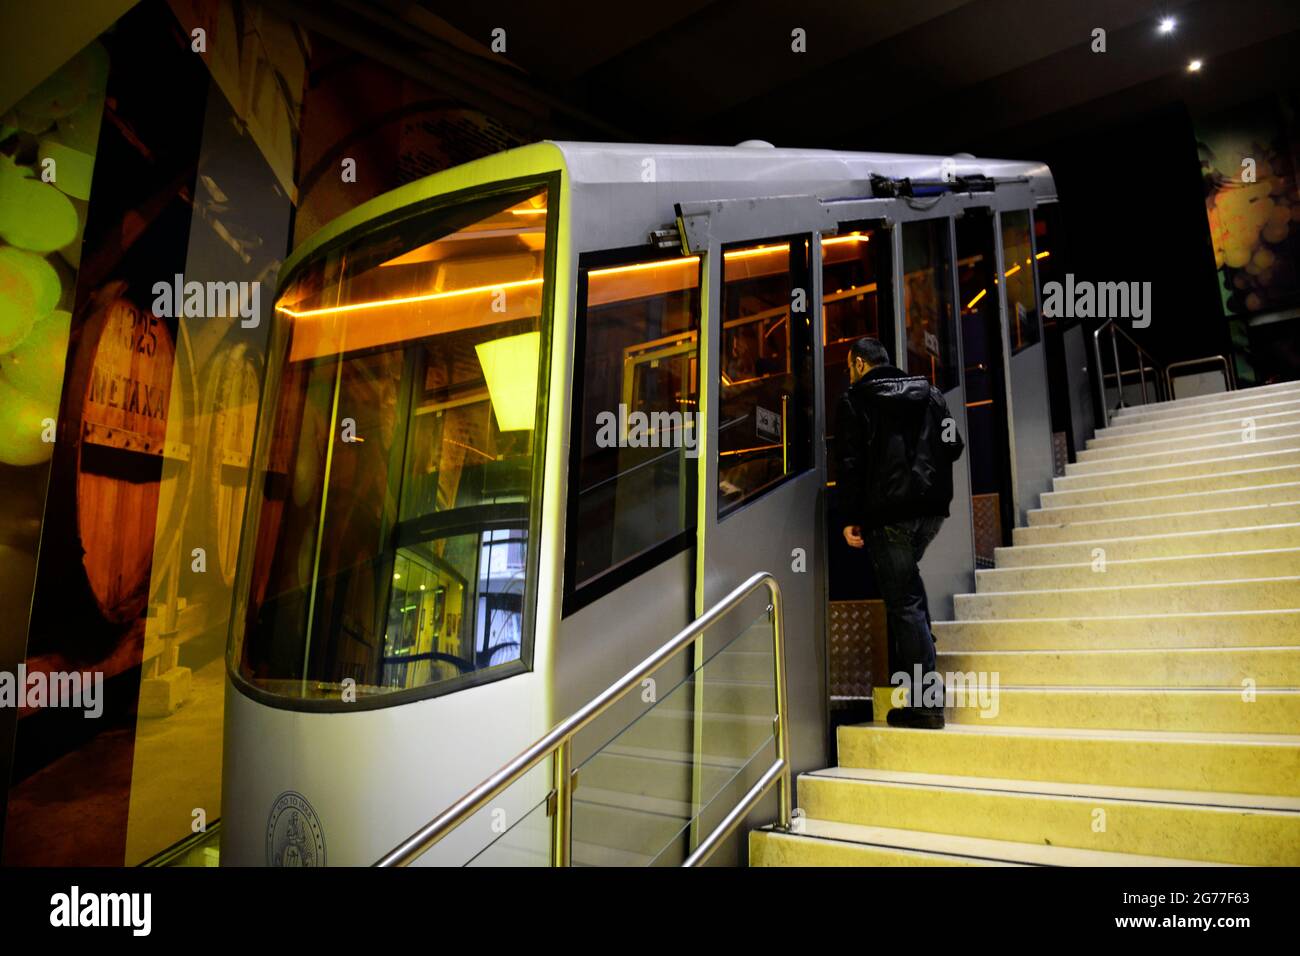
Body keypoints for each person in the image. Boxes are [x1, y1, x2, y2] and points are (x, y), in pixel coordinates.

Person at [836, 337, 964, 729]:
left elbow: (851, 465)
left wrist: (850, 517)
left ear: (859, 364)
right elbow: (954, 445)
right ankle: (924, 644)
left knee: (903, 602)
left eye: (848, 365)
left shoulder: (855, 401)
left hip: (887, 516)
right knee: (908, 587)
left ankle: (926, 705)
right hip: (930, 513)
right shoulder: (931, 395)